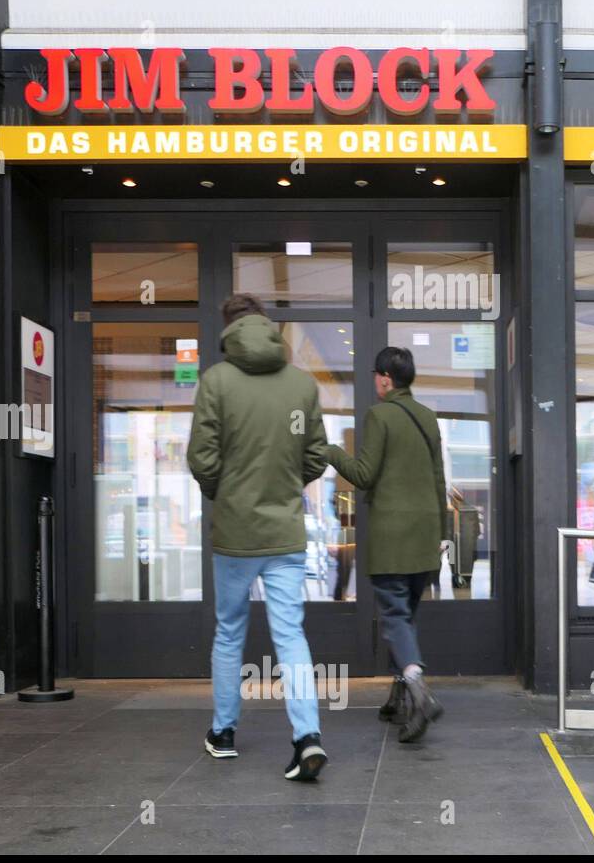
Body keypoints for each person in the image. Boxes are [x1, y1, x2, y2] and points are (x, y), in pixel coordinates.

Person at [186, 293, 330, 781]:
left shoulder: (216, 381)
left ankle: (223, 734)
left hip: (234, 534)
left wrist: (222, 494)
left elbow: (201, 458)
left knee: (230, 633)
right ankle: (307, 737)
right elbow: (316, 455)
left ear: (227, 330)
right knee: (290, 635)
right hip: (286, 531)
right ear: (267, 325)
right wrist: (289, 485)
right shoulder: (302, 384)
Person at [325, 347, 451, 743]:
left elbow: (363, 474)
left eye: (375, 375)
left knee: (395, 616)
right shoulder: (428, 418)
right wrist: (444, 531)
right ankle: (399, 700)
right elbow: (438, 479)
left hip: (391, 536)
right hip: (425, 534)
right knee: (407, 618)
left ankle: (418, 690)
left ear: (384, 378)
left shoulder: (379, 416)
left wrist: (329, 452)